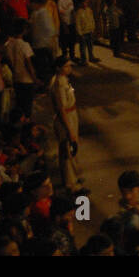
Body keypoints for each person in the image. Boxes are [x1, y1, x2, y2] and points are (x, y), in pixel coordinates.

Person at [47, 56, 83, 196]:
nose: (70, 68)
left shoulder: (63, 80)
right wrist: (70, 129)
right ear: (59, 68)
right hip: (66, 118)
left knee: (68, 149)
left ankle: (72, 178)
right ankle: (71, 184)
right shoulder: (58, 84)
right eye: (67, 66)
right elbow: (61, 108)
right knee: (68, 149)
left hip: (71, 114)